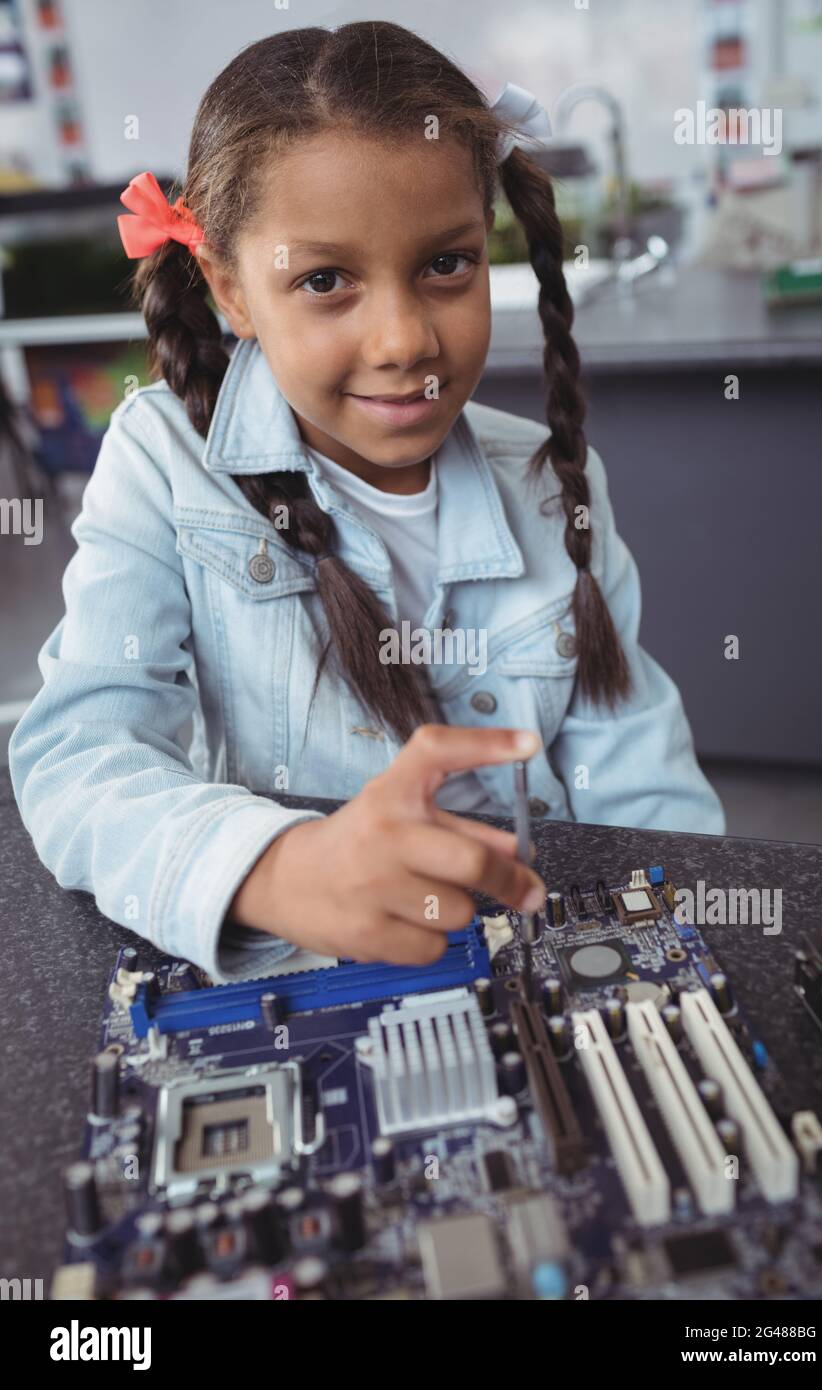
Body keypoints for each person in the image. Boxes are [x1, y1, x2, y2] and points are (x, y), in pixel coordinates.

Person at [9, 22, 724, 984]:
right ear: (230, 290)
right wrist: (276, 865)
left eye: (444, 264)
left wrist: (686, 953)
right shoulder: (164, 463)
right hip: (299, 971)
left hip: (533, 955)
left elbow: (648, 788)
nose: (401, 342)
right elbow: (79, 756)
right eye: (324, 280)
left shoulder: (554, 483)